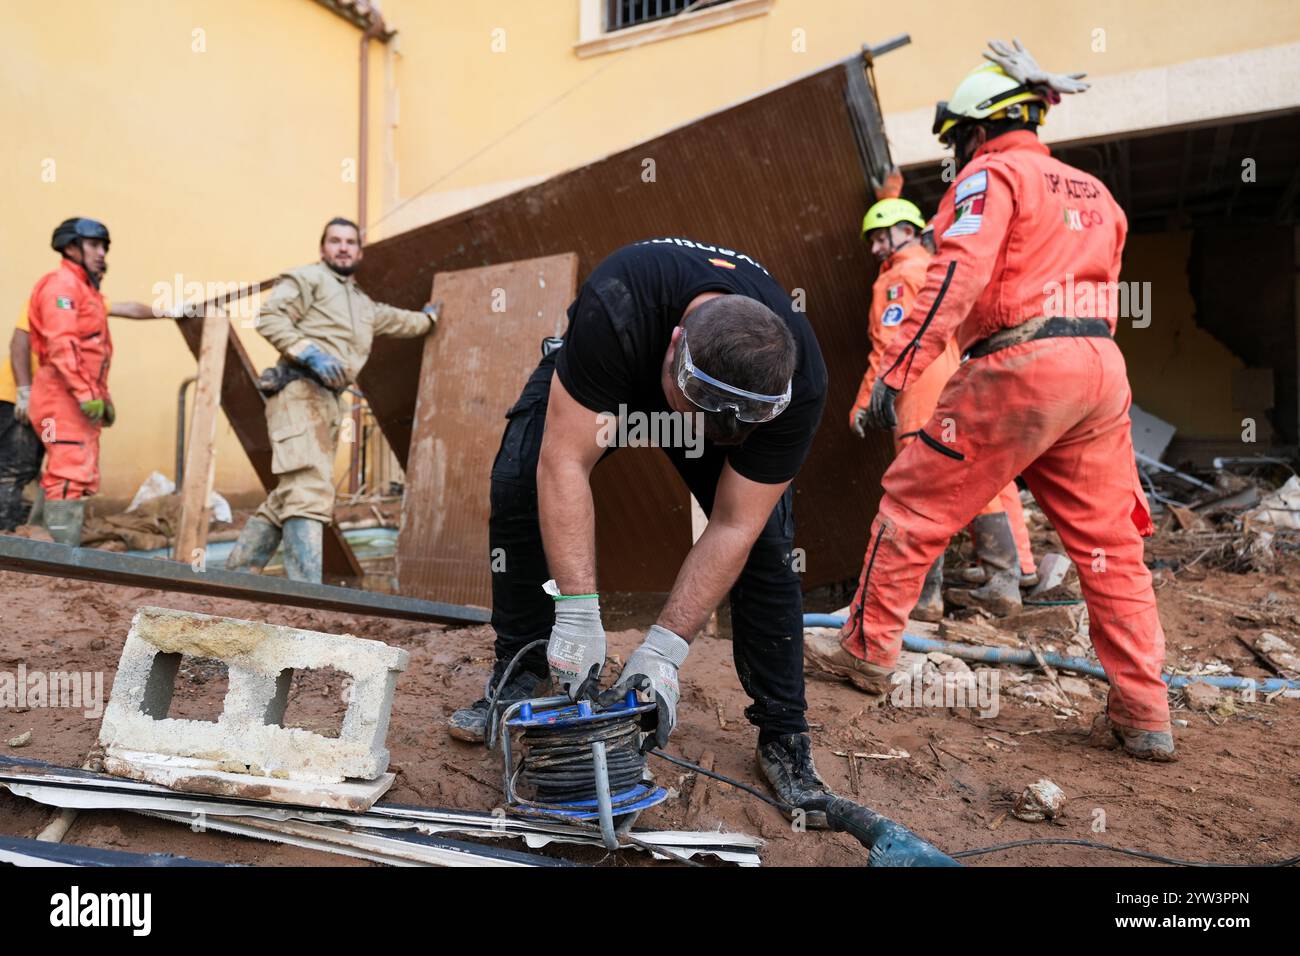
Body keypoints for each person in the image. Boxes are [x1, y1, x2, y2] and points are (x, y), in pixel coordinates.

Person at [821, 40, 1176, 761]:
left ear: (978, 129)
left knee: (912, 506)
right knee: (1112, 550)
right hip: (1100, 370)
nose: (959, 152)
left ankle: (865, 652)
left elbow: (952, 279)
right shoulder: (1096, 194)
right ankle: (1145, 713)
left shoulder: (992, 176)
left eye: (959, 139)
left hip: (1021, 361)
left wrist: (897, 375)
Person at [447, 237, 833, 819]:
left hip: (716, 388)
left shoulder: (794, 385)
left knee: (771, 547)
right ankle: (520, 671)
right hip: (620, 370)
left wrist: (666, 650)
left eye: (721, 423)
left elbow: (734, 523)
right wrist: (577, 612)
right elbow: (565, 461)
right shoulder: (618, 303)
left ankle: (784, 733)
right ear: (677, 343)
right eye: (697, 407)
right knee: (520, 479)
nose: (699, 429)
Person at [848, 197, 1036, 619]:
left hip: (918, 400)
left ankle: (926, 598)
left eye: (883, 237)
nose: (877, 247)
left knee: (920, 499)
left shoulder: (895, 281)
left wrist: (862, 403)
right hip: (959, 395)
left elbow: (888, 346)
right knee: (976, 485)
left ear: (908, 232)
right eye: (873, 240)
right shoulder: (938, 272)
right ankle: (1005, 583)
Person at [225, 217, 438, 583]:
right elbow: (268, 317)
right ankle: (305, 592)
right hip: (298, 389)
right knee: (309, 486)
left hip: (328, 401)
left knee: (290, 494)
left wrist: (429, 320)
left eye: (350, 242)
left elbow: (400, 321)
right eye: (335, 241)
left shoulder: (362, 304)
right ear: (322, 248)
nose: (342, 247)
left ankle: (236, 574)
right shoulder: (307, 278)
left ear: (359, 251)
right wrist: (310, 354)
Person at [5, 267, 183, 534]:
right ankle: (10, 542)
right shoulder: (51, 297)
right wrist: (23, 390)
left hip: (55, 403)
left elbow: (129, 309)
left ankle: (32, 545)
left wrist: (168, 312)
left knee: (53, 467)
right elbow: (19, 342)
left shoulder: (84, 301)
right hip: (18, 398)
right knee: (15, 470)